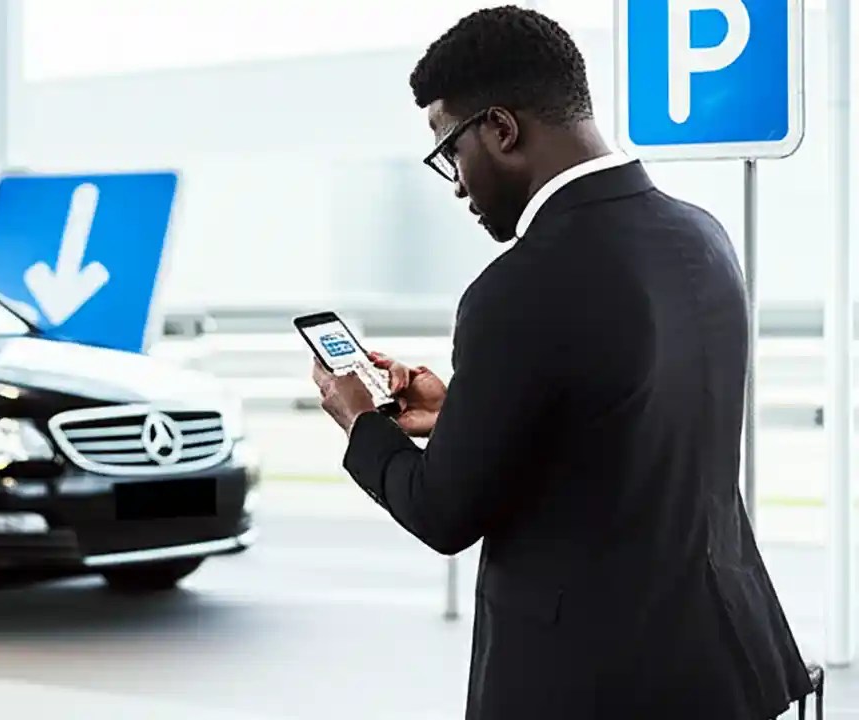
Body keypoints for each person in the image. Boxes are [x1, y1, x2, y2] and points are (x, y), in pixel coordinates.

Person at [311, 6, 813, 719]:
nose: (455, 184)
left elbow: (443, 512)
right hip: (731, 664)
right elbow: (629, 427)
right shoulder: (701, 235)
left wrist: (362, 419)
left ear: (501, 129)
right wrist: (466, 413)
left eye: (450, 151)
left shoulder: (518, 289)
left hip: (591, 684)